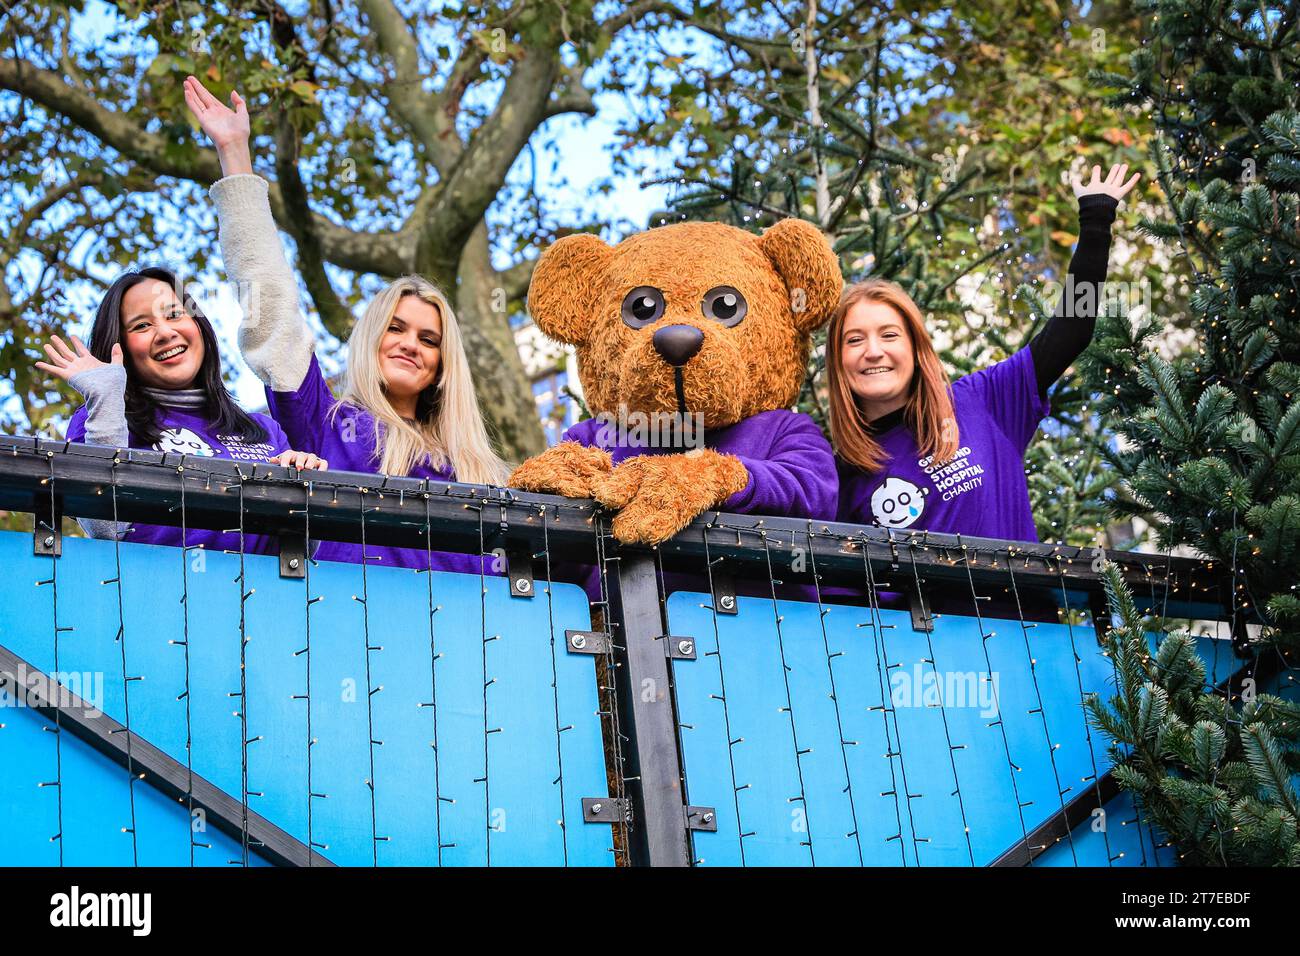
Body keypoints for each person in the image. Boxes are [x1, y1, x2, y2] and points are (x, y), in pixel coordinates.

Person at [183, 75, 509, 572]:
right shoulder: (325, 422)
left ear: (444, 364)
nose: (409, 345)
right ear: (370, 340)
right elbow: (271, 309)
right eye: (394, 329)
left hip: (467, 643)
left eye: (429, 339)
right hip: (351, 635)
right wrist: (235, 156)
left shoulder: (482, 472)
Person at [830, 162, 1140, 542]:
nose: (873, 351)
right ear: (838, 361)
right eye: (855, 340)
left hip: (1016, 603)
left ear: (916, 349)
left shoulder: (982, 401)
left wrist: (1095, 225)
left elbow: (1071, 330)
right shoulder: (842, 475)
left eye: (889, 335)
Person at [41, 267, 326, 553]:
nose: (165, 332)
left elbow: (297, 551)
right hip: (157, 592)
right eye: (141, 326)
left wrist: (302, 477)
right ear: (120, 345)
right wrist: (107, 397)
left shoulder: (264, 430)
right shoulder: (99, 418)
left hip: (262, 595)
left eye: (175, 315)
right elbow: (105, 528)